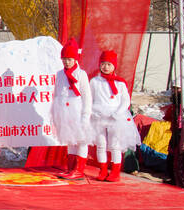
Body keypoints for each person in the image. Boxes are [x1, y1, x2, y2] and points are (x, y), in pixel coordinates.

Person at [90, 50, 141, 182]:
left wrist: (118, 113)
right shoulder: (95, 81)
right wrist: (92, 111)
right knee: (101, 144)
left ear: (114, 66)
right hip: (98, 116)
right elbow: (89, 98)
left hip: (115, 117)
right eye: (103, 64)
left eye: (109, 64)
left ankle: (115, 171)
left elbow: (125, 100)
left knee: (115, 145)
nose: (105, 67)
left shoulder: (120, 83)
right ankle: (102, 170)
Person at [51, 40, 92, 178]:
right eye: (64, 59)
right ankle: (70, 167)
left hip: (77, 110)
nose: (67, 62)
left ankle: (79, 169)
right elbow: (57, 94)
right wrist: (55, 113)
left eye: (69, 59)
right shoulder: (60, 74)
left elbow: (87, 97)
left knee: (80, 139)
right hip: (64, 110)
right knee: (70, 139)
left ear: (75, 59)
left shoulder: (82, 74)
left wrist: (86, 115)